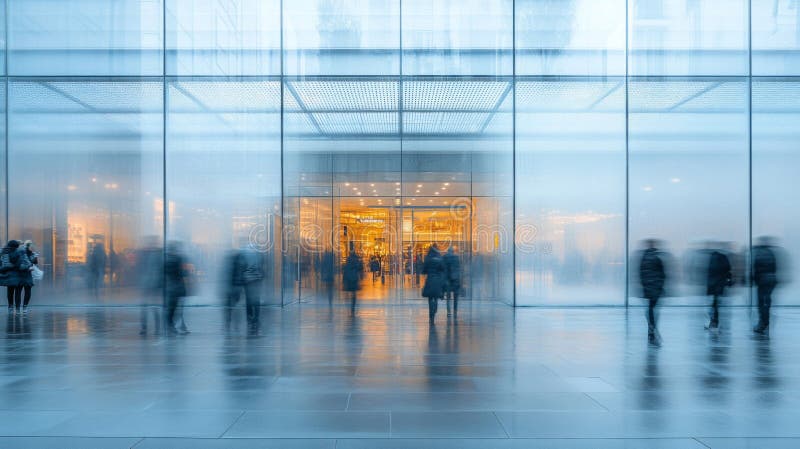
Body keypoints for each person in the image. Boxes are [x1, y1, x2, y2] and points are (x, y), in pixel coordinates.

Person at [228, 242, 264, 335]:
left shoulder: (244, 254)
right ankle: (256, 319)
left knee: (249, 301)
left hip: (248, 280)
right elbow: (261, 267)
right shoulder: (258, 254)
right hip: (256, 280)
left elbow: (241, 267)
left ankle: (250, 319)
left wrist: (240, 280)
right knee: (256, 300)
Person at [639, 240, 666, 345]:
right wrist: (661, 286)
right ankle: (652, 329)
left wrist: (643, 285)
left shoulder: (644, 258)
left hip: (647, 288)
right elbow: (662, 274)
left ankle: (651, 331)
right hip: (656, 287)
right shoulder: (656, 258)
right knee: (654, 309)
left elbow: (641, 274)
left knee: (650, 309)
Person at [752, 237, 779, 335]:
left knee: (761, 302)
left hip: (763, 281)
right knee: (767, 301)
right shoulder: (770, 253)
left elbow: (756, 269)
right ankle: (766, 322)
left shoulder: (759, 254)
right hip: (771, 280)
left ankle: (762, 323)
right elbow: (774, 267)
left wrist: (754, 280)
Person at [164, 241, 189, 334]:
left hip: (171, 287)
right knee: (176, 308)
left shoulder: (166, 259)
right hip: (178, 287)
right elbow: (183, 273)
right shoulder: (178, 259)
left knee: (172, 308)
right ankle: (174, 326)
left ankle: (174, 326)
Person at [706, 247, 732, 331]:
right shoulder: (723, 258)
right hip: (720, 284)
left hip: (713, 285)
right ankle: (714, 323)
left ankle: (713, 323)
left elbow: (709, 274)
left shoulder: (712, 259)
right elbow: (728, 271)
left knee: (714, 305)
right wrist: (728, 281)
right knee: (716, 304)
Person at [422, 244, 445, 323]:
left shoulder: (428, 258)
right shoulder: (439, 257)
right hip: (437, 280)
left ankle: (430, 316)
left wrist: (426, 271)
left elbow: (424, 270)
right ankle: (435, 309)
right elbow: (443, 268)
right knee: (436, 296)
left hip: (430, 279)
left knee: (430, 297)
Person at [0, 240, 25, 313]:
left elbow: (2, 263)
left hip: (9, 275)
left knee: (10, 292)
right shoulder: (19, 252)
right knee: (18, 293)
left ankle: (10, 307)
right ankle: (17, 308)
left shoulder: (4, 252)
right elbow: (19, 264)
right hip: (18, 275)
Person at [343, 243, 363, 313]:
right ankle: (353, 304)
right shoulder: (356, 259)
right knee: (353, 292)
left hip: (349, 277)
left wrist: (344, 279)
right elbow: (360, 268)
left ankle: (351, 305)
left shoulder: (348, 259)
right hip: (354, 277)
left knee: (350, 291)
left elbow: (346, 269)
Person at [20, 241, 38, 314]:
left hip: (25, 274)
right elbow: (34, 262)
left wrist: (34, 257)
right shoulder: (26, 253)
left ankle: (22, 307)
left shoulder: (30, 253)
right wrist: (34, 257)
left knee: (23, 291)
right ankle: (24, 307)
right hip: (25, 273)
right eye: (31, 246)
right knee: (25, 291)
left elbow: (35, 262)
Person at [443, 246, 461, 318]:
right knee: (456, 297)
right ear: (453, 251)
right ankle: (455, 311)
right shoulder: (456, 258)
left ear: (448, 251)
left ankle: (449, 311)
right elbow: (459, 268)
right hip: (455, 279)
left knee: (448, 297)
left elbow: (443, 269)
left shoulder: (444, 257)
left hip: (448, 279)